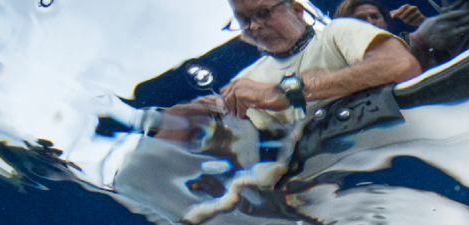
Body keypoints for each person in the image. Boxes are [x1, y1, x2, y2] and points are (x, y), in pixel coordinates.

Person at [172, 0, 421, 131]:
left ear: (297, 10)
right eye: (244, 20)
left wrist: (284, 92)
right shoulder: (246, 78)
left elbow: (401, 65)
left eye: (263, 13)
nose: (254, 26)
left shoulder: (338, 31)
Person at [333, 0, 427, 31]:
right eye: (361, 19)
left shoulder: (408, 43)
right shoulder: (340, 63)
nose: (371, 22)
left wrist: (425, 24)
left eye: (375, 17)